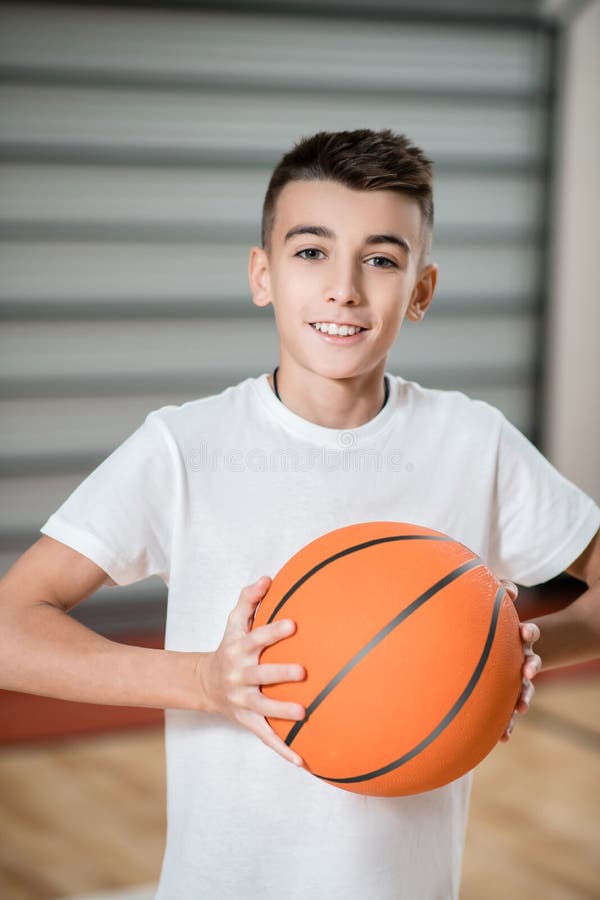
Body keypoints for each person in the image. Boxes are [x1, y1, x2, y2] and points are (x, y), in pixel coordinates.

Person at [1, 129, 598, 899]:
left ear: (421, 290)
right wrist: (204, 682)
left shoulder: (474, 442)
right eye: (311, 252)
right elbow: (12, 627)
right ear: (263, 274)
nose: (344, 288)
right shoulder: (187, 447)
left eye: (381, 259)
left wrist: (507, 653)